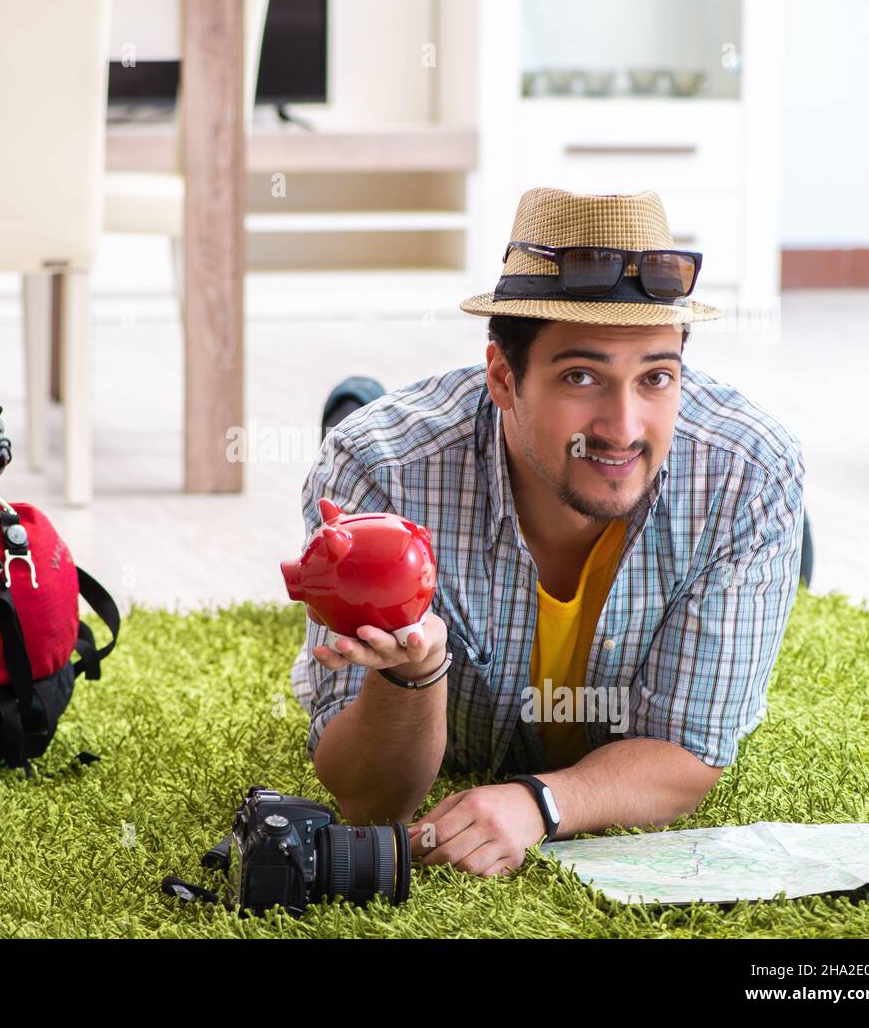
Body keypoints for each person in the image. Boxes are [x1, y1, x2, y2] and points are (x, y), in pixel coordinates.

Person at [290, 187, 806, 878]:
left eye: (656, 377)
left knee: (779, 545)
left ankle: (792, 545)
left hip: (729, 508)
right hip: (428, 455)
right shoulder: (380, 468)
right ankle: (359, 398)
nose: (623, 427)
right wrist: (412, 676)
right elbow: (368, 797)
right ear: (503, 377)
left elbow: (690, 748)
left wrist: (542, 801)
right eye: (582, 375)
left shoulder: (748, 473)